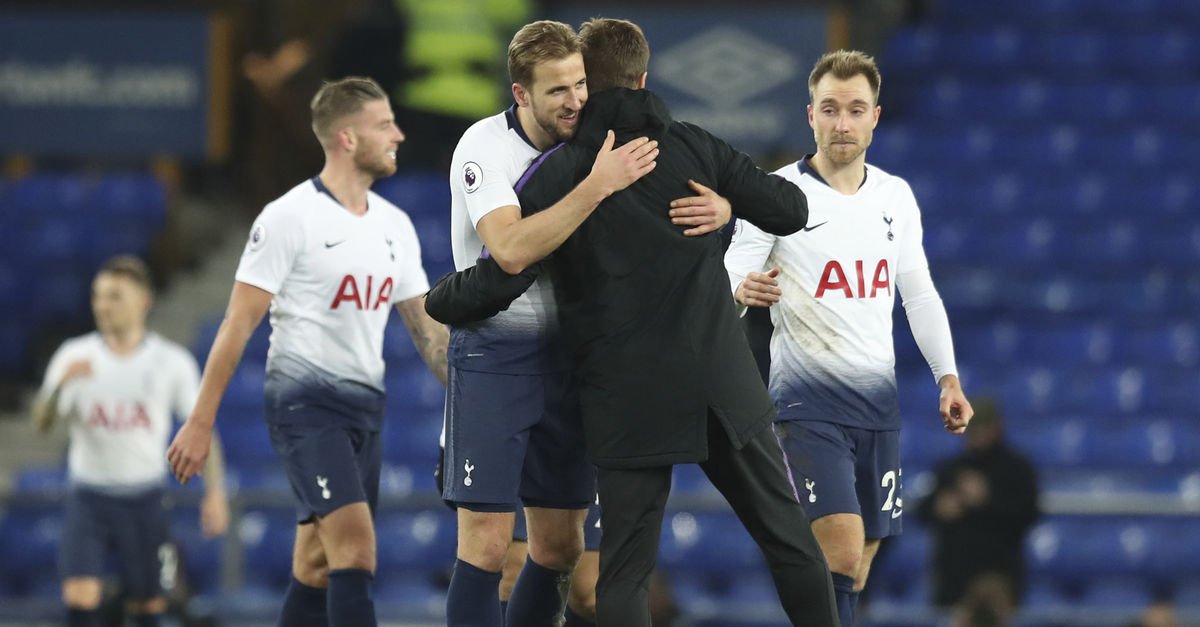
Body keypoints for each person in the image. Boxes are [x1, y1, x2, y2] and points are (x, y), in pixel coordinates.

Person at [430, 18, 839, 626]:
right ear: (644, 78)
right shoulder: (695, 145)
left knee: (622, 571)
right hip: (718, 380)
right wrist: (729, 204)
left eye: (576, 87)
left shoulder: (561, 172)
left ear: (589, 84)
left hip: (627, 396)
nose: (571, 99)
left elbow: (504, 271)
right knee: (789, 539)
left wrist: (442, 299)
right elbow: (792, 208)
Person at [437, 19, 694, 627]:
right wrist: (596, 187)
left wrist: (723, 204)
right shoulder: (484, 146)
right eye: (557, 90)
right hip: (495, 355)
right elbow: (509, 250)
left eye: (580, 84)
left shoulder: (598, 138)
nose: (576, 100)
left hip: (572, 358)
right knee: (488, 546)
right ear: (521, 94)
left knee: (560, 548)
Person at [166, 76, 449, 627]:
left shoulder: (395, 225)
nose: (399, 134)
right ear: (347, 138)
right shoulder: (288, 217)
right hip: (305, 407)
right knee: (356, 550)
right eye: (384, 124)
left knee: (317, 565)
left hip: (366, 409)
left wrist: (473, 393)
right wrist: (200, 422)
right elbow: (237, 324)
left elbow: (426, 331)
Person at [723, 49, 974, 627]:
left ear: (875, 117)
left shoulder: (895, 196)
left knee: (858, 564)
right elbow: (732, 268)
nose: (842, 123)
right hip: (806, 405)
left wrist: (947, 377)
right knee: (839, 549)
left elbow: (918, 292)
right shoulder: (777, 193)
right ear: (810, 114)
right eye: (830, 109)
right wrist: (739, 288)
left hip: (877, 406)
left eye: (855, 110)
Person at [32, 255, 230, 627]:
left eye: (114, 296)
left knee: (147, 605)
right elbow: (41, 424)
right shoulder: (75, 355)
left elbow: (202, 430)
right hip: (88, 498)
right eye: (98, 296)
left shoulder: (170, 362)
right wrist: (60, 387)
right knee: (79, 596)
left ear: (143, 302)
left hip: (144, 499)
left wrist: (215, 494)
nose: (103, 305)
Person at [915, 399, 1039, 627]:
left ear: (996, 427)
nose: (976, 435)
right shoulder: (951, 467)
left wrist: (987, 499)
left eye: (982, 428)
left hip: (999, 573)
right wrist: (940, 508)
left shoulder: (1016, 469)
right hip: (954, 579)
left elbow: (1029, 513)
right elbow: (923, 511)